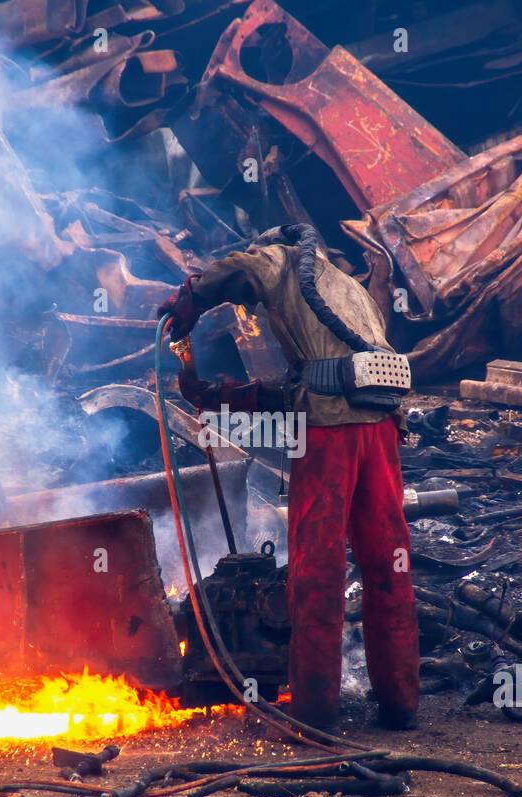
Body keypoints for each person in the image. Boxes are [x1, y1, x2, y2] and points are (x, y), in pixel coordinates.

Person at [160, 225, 419, 731]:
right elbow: (316, 379)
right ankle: (401, 704)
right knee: (388, 560)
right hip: (381, 429)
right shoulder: (349, 290)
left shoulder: (280, 261)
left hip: (332, 436)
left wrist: (188, 298)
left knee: (315, 566)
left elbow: (242, 269)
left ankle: (315, 711)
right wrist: (220, 396)